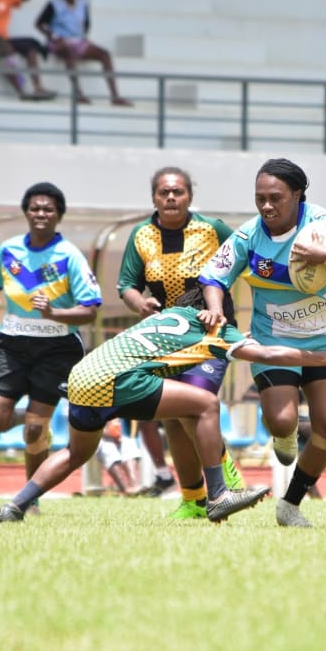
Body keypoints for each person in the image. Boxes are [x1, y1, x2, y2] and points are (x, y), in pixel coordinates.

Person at [0, 286, 326, 523]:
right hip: (118, 380)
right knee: (205, 404)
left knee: (76, 453)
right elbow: (265, 354)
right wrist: (323, 359)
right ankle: (218, 495)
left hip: (83, 376)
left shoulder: (170, 316)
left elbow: (207, 344)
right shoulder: (213, 325)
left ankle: (15, 505)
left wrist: (237, 338)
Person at [199, 157, 326, 528]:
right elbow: (213, 277)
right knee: (281, 420)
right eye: (260, 198)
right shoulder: (249, 236)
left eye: (276, 198)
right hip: (273, 338)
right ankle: (283, 433)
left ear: (298, 194)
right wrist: (215, 310)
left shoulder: (322, 225)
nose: (267, 206)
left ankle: (290, 505)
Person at [116, 166, 247, 518]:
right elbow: (126, 285)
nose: (171, 197)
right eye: (164, 192)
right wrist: (139, 303)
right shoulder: (141, 236)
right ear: (154, 198)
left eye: (178, 192)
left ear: (190, 196)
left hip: (210, 333)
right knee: (173, 417)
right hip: (165, 338)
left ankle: (225, 468)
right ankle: (193, 500)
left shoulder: (213, 229)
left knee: (195, 402)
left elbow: (245, 260)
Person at [0, 181, 102, 513]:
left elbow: (90, 310)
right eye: (35, 208)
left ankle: (29, 501)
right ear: (26, 212)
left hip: (57, 348)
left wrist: (53, 312)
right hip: (12, 345)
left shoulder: (69, 255)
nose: (41, 213)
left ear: (59, 215)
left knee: (34, 430)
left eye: (48, 209)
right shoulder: (8, 250)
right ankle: (32, 421)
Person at [35, 0, 131, 106]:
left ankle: (115, 96)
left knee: (104, 54)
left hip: (78, 41)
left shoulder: (82, 4)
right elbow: (39, 24)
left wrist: (82, 40)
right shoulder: (54, 3)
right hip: (59, 42)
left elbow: (86, 25)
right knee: (68, 51)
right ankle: (78, 93)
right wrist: (52, 36)